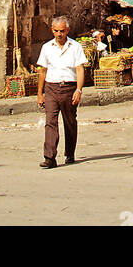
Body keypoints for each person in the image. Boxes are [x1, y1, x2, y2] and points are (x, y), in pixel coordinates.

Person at [36, 14, 86, 169]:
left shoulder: (76, 47)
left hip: (69, 88)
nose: (59, 34)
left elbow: (80, 69)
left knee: (69, 122)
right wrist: (40, 93)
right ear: (52, 30)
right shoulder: (46, 48)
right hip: (51, 88)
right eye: (56, 31)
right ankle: (49, 157)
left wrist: (78, 90)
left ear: (68, 30)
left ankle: (69, 153)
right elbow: (42, 71)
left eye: (62, 31)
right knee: (50, 122)